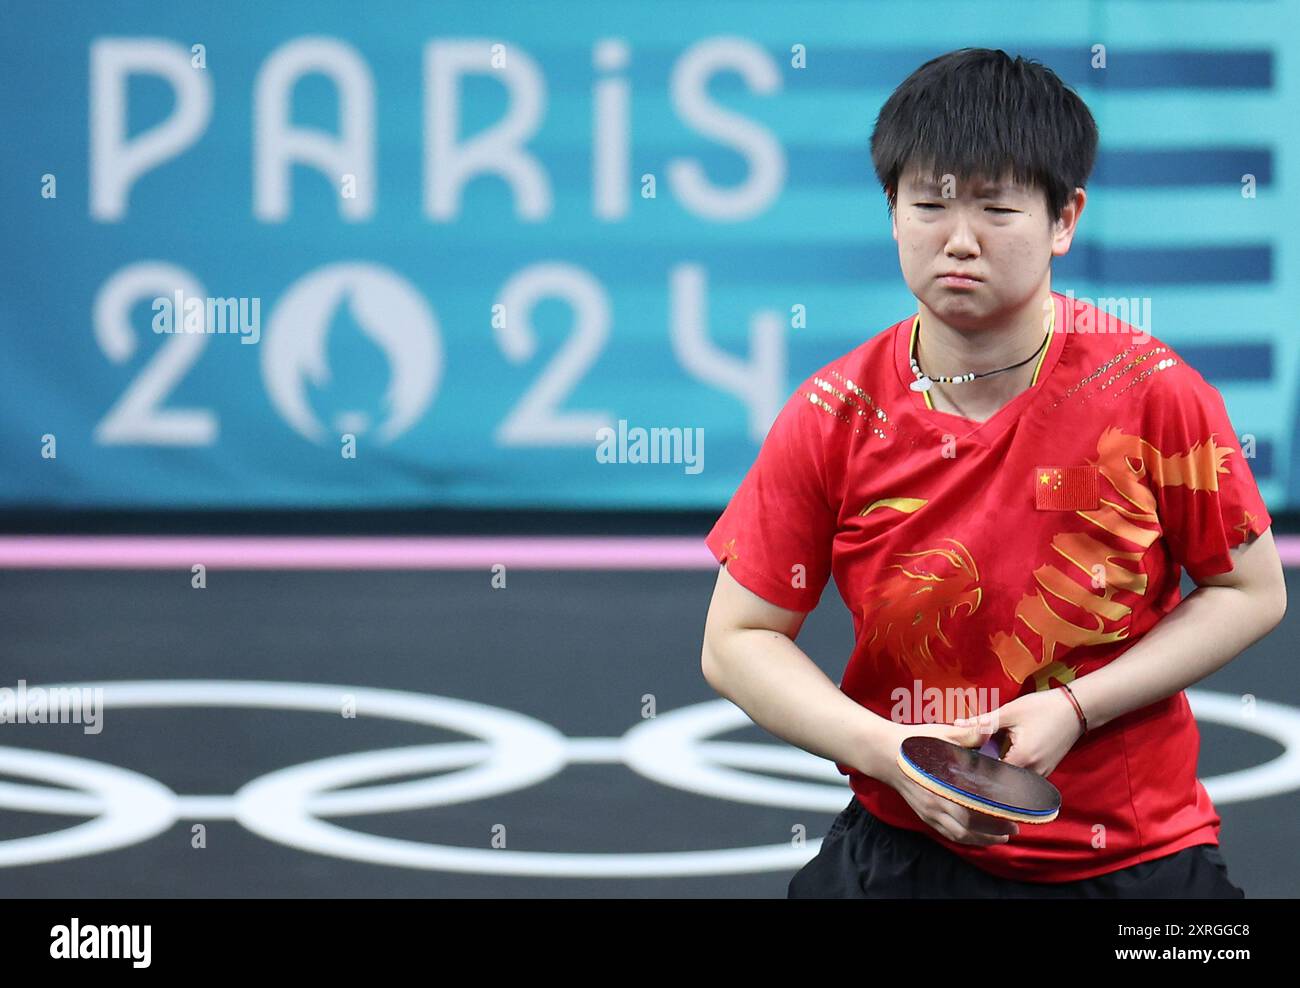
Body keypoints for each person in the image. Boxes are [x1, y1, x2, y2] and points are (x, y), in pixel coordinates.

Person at [699, 48, 1286, 898]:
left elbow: (1249, 591)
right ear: (891, 213)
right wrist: (891, 756)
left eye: (998, 207)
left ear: (1064, 219)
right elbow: (737, 640)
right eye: (928, 204)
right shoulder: (833, 412)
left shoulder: (1156, 395)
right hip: (903, 843)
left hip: (1133, 860)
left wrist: (1077, 709)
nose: (960, 240)